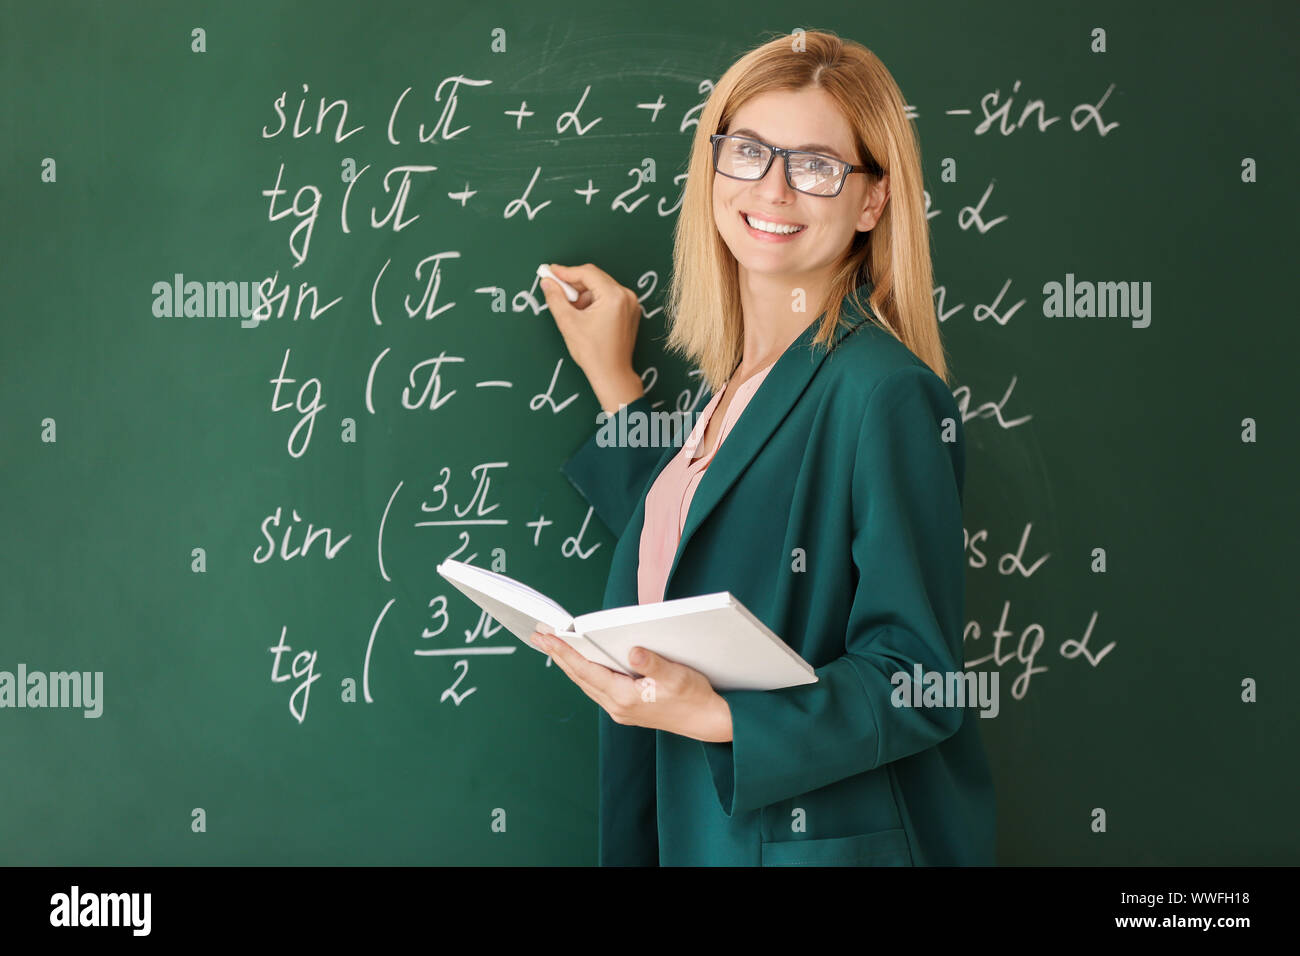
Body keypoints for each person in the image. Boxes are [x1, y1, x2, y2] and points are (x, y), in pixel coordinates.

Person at [532, 29, 996, 866]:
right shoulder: (738, 385)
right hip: (694, 832)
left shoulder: (881, 393)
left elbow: (920, 679)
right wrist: (613, 383)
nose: (773, 187)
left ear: (871, 202)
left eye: (815, 164)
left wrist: (718, 716)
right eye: (746, 150)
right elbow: (709, 549)